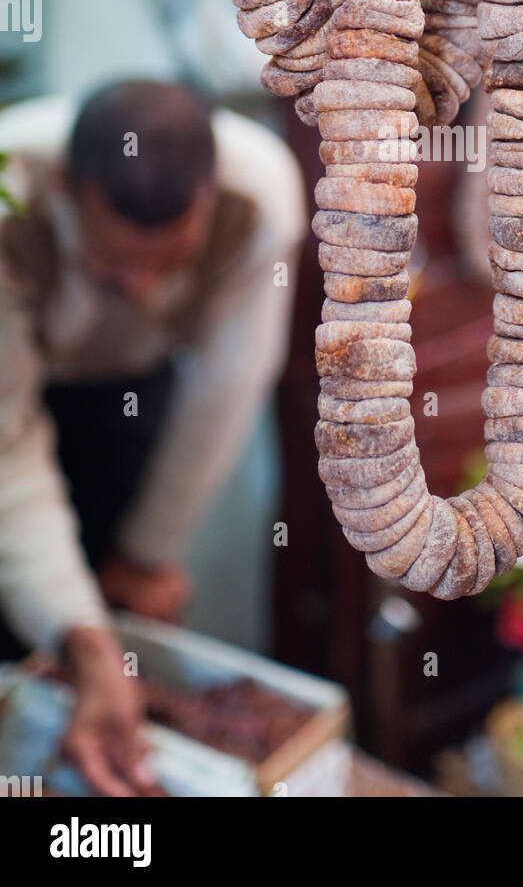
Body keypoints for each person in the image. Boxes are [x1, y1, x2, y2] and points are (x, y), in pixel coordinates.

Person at [0, 80, 306, 794]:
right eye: (112, 263)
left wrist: (148, 553)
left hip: (137, 399)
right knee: (27, 616)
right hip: (27, 387)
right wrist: (78, 633)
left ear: (205, 200)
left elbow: (225, 387)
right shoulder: (9, 190)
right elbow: (7, 443)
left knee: (125, 595)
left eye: (166, 265)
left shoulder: (257, 193)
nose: (140, 289)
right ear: (67, 188)